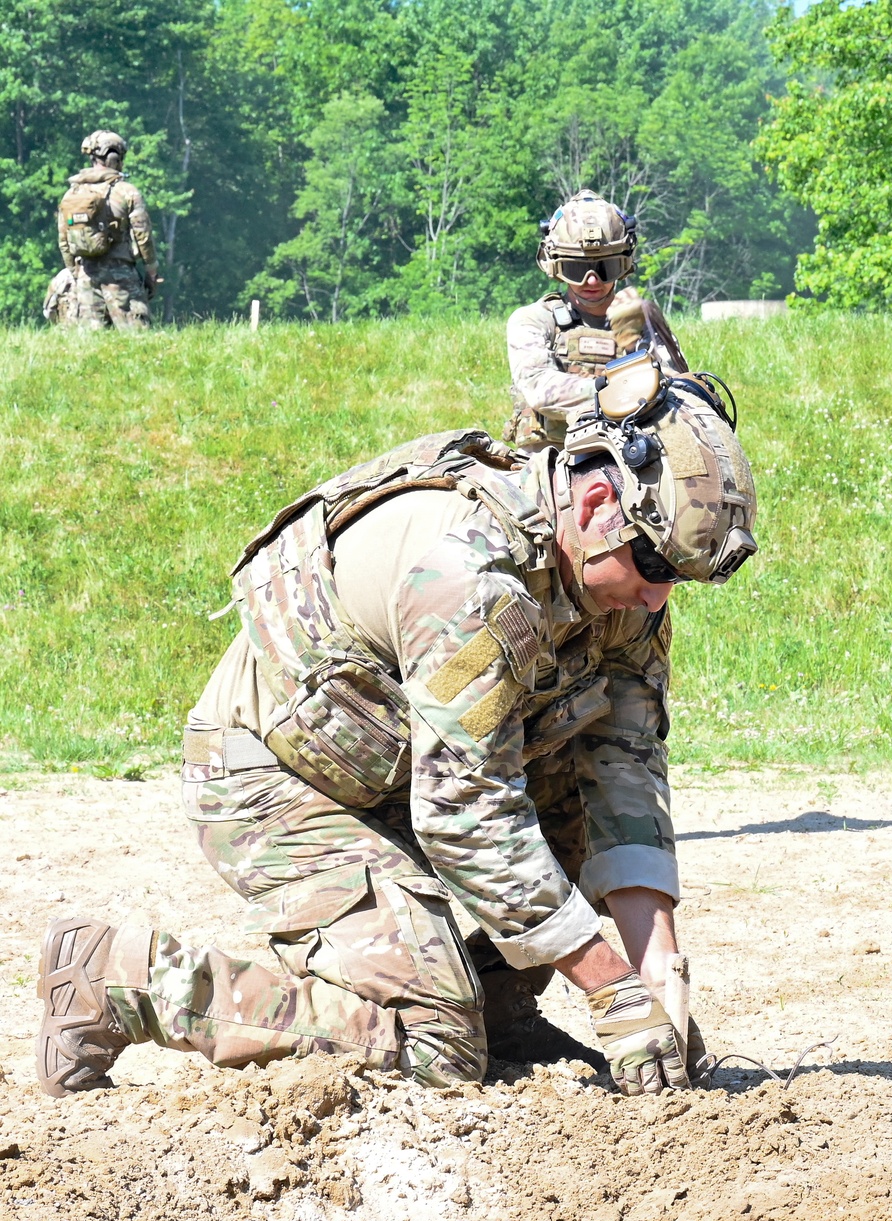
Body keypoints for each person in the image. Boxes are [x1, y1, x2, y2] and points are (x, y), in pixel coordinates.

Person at [36, 351, 758, 1102]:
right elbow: (469, 817)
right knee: (433, 1046)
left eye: (676, 576)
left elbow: (625, 765)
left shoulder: (623, 584)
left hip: (409, 770)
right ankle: (117, 977)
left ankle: (498, 1003)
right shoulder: (468, 581)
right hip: (279, 783)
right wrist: (608, 986)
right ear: (597, 500)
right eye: (655, 567)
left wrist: (656, 974)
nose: (655, 598)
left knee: (575, 771)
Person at [505, 189, 688, 452]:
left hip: (631, 456)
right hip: (550, 462)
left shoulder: (638, 320)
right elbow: (538, 387)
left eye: (605, 268)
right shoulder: (534, 320)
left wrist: (636, 343)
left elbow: (678, 390)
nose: (592, 280)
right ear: (556, 266)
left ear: (624, 265)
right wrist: (618, 390)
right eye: (577, 269)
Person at [57, 131, 159, 331]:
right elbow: (143, 235)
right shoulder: (126, 191)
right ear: (117, 157)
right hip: (120, 278)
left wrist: (75, 273)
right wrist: (151, 268)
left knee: (92, 345)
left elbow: (64, 240)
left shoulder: (72, 193)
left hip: (86, 275)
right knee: (138, 342)